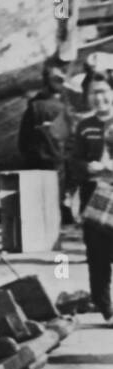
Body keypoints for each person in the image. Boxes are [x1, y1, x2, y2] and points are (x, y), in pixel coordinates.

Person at [18, 54, 76, 220]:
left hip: (36, 163)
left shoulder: (34, 107)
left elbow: (22, 142)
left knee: (39, 202)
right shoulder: (64, 108)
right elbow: (71, 142)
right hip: (58, 166)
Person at [75, 71, 113, 322]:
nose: (98, 98)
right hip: (92, 196)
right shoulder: (84, 126)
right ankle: (106, 308)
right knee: (98, 255)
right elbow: (73, 161)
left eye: (103, 92)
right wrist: (84, 167)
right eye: (93, 93)